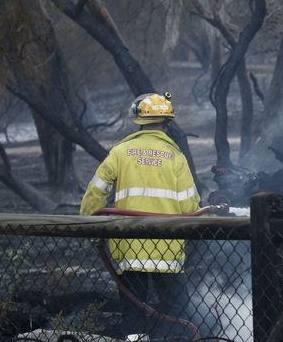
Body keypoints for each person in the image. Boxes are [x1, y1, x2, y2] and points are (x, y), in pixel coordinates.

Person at [80, 92, 199, 338]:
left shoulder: (120, 152)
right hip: (167, 249)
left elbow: (95, 193)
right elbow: (190, 207)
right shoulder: (176, 157)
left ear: (139, 122)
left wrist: (91, 227)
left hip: (129, 247)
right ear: (167, 124)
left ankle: (135, 339)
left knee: (133, 310)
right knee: (176, 309)